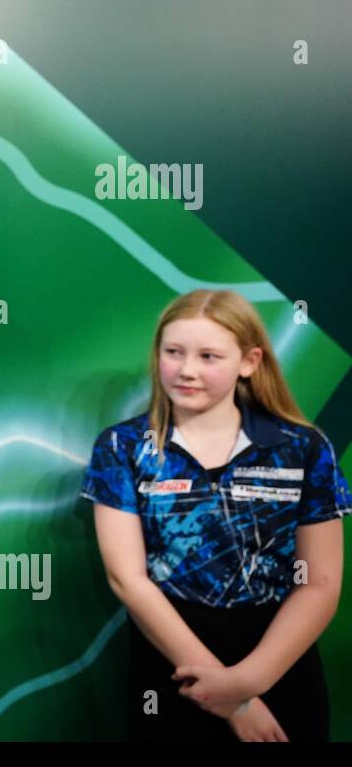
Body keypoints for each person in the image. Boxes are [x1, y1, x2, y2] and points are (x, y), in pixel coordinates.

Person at [81, 288, 349, 741]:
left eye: (208, 356)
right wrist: (234, 701)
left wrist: (248, 683)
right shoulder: (122, 447)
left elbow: (320, 582)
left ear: (249, 361)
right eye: (174, 352)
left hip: (280, 661)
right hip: (173, 667)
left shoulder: (303, 448)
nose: (187, 370)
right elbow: (127, 577)